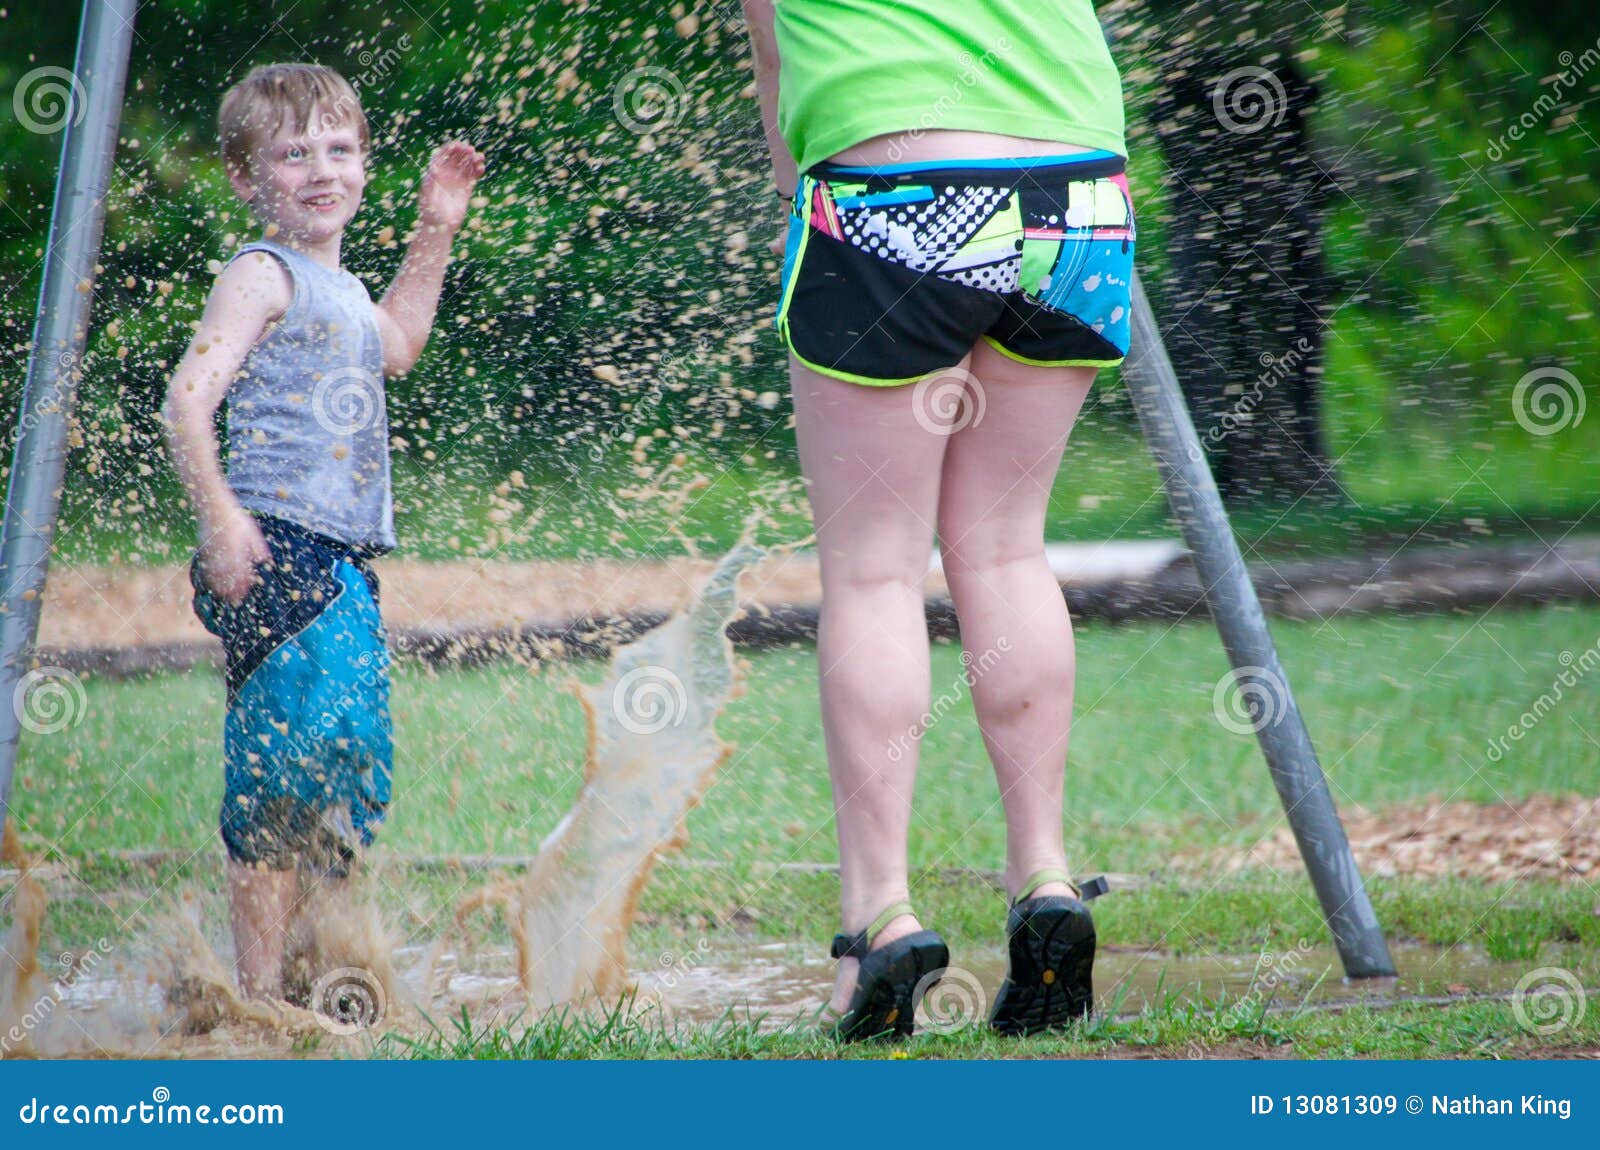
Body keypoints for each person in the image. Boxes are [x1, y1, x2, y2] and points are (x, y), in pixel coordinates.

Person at [742, 0, 1134, 1039]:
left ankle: (880, 920)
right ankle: (1045, 880)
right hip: (1078, 190)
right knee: (1007, 548)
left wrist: (798, 186)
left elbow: (776, 61)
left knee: (873, 571)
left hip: (898, 186)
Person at [161, 63, 485, 1000]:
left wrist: (437, 228)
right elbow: (187, 402)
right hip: (277, 551)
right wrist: (221, 521)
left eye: (339, 150)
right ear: (245, 177)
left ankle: (314, 970)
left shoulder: (340, 292)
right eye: (292, 153)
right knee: (281, 776)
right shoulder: (262, 277)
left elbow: (402, 344)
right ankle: (261, 999)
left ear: (364, 165)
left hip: (341, 566)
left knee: (346, 767)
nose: (321, 170)